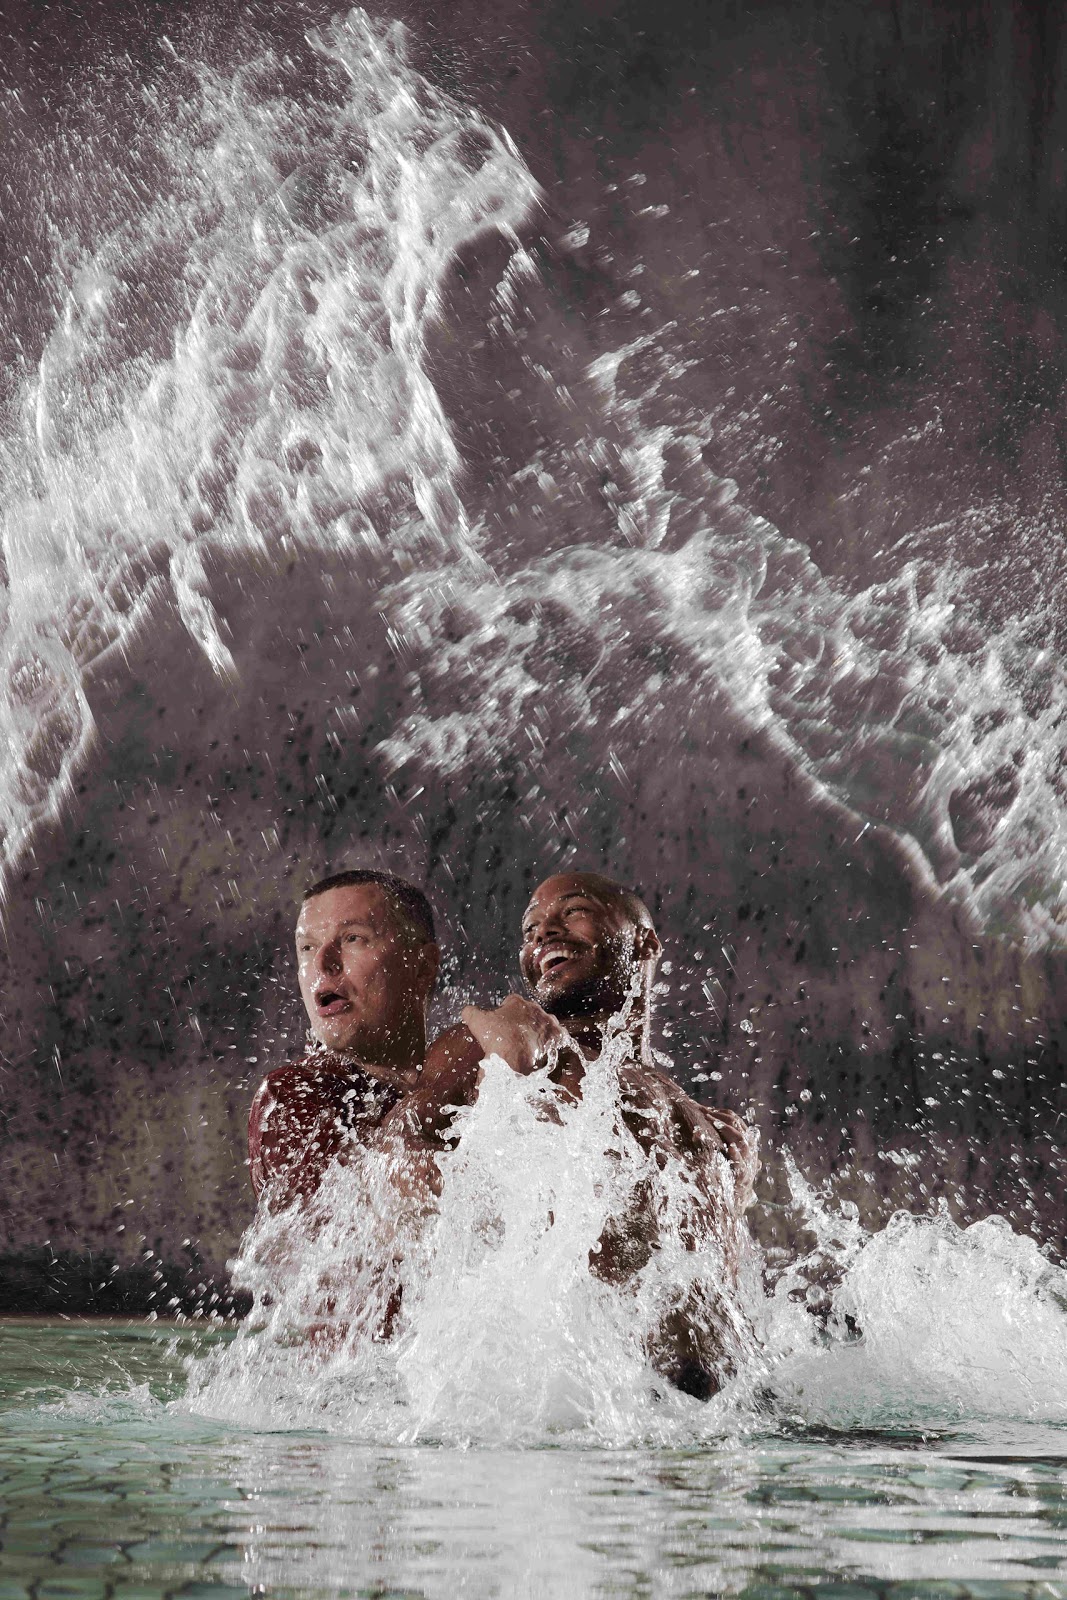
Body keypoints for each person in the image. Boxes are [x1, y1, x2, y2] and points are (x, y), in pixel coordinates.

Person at [392, 870, 759, 1397]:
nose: (543, 933)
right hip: (598, 1410)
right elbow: (389, 1162)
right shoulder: (497, 1048)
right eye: (530, 928)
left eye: (572, 911)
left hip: (727, 1409)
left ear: (646, 942)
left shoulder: (703, 1118)